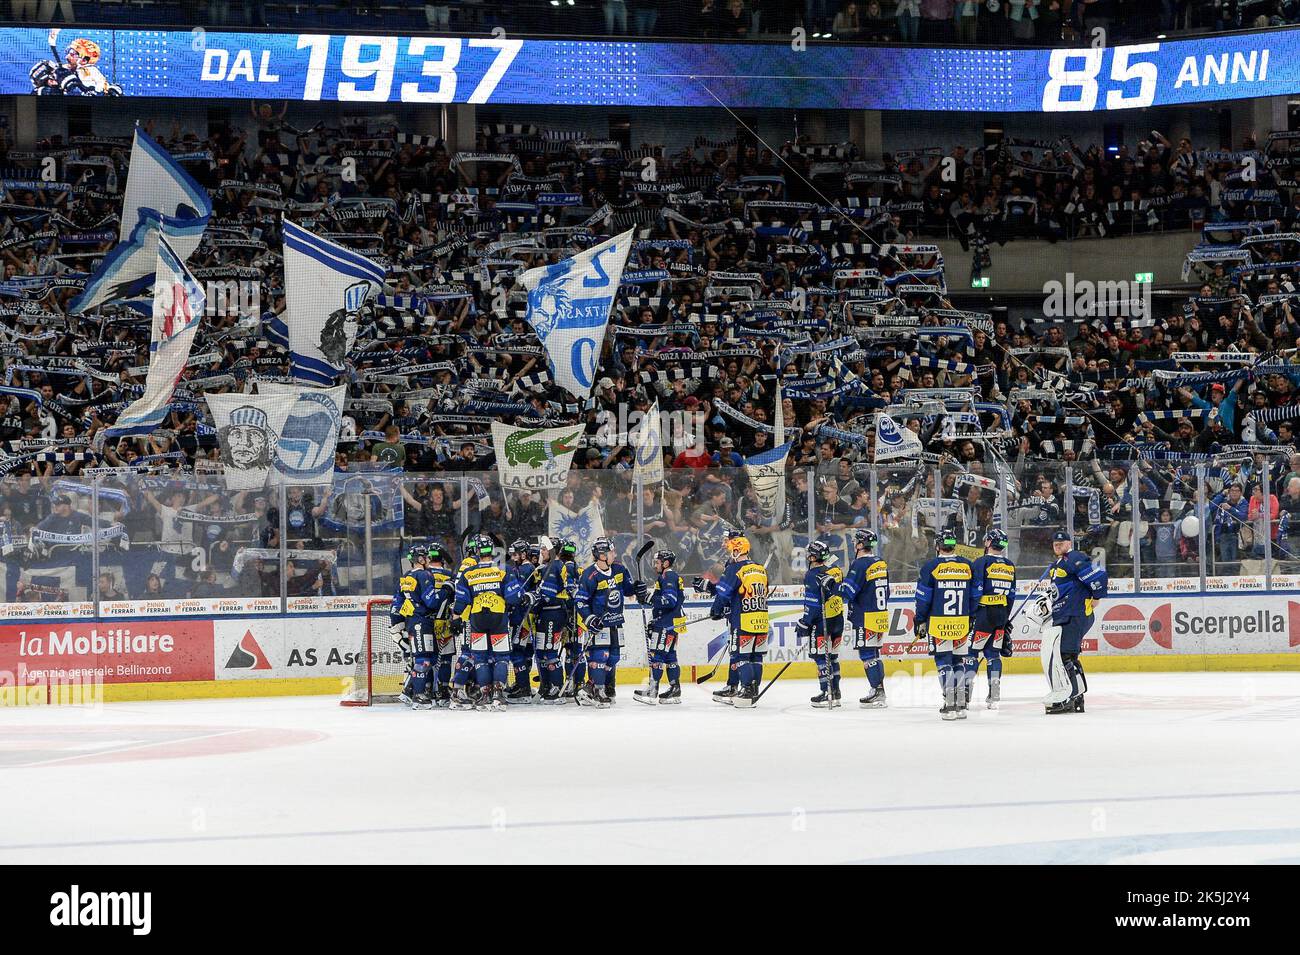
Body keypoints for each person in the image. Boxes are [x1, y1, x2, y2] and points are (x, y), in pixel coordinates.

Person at [697, 531, 770, 707]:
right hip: (760, 619)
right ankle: (753, 688)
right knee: (755, 657)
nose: (730, 553)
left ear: (737, 551)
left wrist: (716, 610)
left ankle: (745, 690)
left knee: (741, 656)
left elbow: (724, 593)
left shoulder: (734, 569)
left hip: (743, 620)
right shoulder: (760, 568)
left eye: (732, 550)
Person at [1044, 530, 1109, 714]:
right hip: (1065, 614)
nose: (1058, 545)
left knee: (1065, 655)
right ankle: (1077, 698)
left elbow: (1098, 577)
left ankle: (1069, 698)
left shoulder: (1074, 557)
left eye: (1061, 543)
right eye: (1055, 544)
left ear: (1069, 543)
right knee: (1069, 656)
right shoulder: (1058, 563)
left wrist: (1096, 596)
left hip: (1075, 613)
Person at [914, 528, 975, 721]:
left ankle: (949, 704)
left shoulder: (931, 566)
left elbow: (923, 598)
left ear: (938, 546)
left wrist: (920, 619)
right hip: (962, 622)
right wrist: (971, 617)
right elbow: (975, 596)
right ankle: (961, 704)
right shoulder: (967, 565)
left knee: (943, 661)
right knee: (958, 661)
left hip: (939, 623)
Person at [450, 534, 515, 711]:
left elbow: (461, 601)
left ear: (477, 552)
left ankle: (484, 694)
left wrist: (455, 618)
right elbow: (513, 597)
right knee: (501, 657)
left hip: (477, 618)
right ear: (493, 551)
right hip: (498, 617)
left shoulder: (469, 573)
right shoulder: (503, 569)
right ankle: (498, 695)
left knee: (480, 658)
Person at [574, 537, 638, 708]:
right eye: (611, 551)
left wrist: (638, 588)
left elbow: (628, 589)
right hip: (599, 625)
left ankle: (591, 686)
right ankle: (599, 691)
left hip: (616, 622)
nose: (614, 554)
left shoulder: (619, 569)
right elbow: (580, 601)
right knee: (599, 658)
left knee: (614, 658)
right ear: (602, 555)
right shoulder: (589, 575)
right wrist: (589, 619)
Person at [388, 544, 451, 708]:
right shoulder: (424, 575)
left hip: (412, 622)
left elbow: (397, 604)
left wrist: (397, 626)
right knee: (423, 659)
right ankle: (418, 695)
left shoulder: (406, 576)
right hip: (422, 621)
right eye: (427, 557)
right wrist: (446, 590)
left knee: (425, 658)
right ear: (421, 559)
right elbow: (432, 601)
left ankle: (411, 691)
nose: (429, 559)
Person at [965, 528, 1017, 709]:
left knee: (972, 653)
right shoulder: (1010, 565)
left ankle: (965, 693)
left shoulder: (981, 562)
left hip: (983, 614)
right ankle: (994, 696)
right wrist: (1006, 618)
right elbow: (1011, 596)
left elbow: (976, 591)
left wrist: (971, 614)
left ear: (988, 542)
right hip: (1001, 615)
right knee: (993, 655)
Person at [838, 528, 889, 708]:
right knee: (874, 653)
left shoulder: (860, 564)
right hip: (880, 615)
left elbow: (847, 593)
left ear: (860, 545)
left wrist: (833, 585)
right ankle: (879, 689)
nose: (853, 544)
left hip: (865, 616)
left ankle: (877, 692)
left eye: (855, 542)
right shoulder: (880, 562)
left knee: (867, 655)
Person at [794, 539, 844, 708]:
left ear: (813, 557)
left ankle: (826, 692)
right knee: (833, 657)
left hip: (822, 622)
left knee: (821, 658)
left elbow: (813, 603)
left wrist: (805, 622)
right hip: (838, 619)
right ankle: (835, 692)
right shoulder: (836, 570)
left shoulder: (811, 575)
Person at [634, 549, 686, 705]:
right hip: (672, 622)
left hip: (667, 624)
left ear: (666, 563)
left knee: (657, 655)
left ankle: (652, 690)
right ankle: (674, 689)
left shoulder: (668, 576)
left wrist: (648, 598)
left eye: (657, 562)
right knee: (670, 656)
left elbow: (669, 600)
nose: (655, 565)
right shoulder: (667, 576)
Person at [533, 535, 578, 703]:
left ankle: (557, 687)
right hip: (543, 615)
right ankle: (546, 684)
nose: (541, 552)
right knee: (542, 652)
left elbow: (570, 590)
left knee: (550, 652)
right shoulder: (543, 567)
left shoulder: (560, 566)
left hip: (554, 613)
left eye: (544, 549)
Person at [505, 538, 537, 703]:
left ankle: (523, 688)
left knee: (517, 652)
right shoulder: (520, 568)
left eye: (515, 553)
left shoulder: (526, 568)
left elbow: (517, 592)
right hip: (519, 616)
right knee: (521, 653)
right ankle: (521, 684)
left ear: (524, 554)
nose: (513, 556)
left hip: (523, 618)